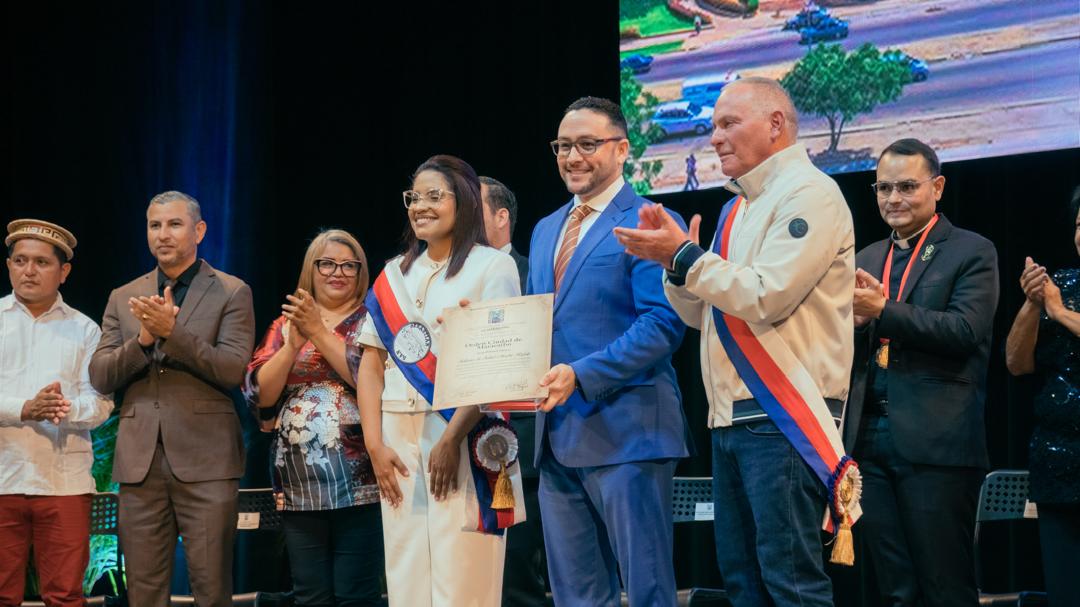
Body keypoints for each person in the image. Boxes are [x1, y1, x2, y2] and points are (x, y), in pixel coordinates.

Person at [614, 77, 860, 607]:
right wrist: (676, 268)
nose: (715, 138)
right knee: (744, 584)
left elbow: (766, 296)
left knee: (791, 584)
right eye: (713, 127)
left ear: (775, 125)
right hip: (730, 420)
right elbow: (707, 317)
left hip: (781, 416)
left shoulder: (810, 193)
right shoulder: (737, 208)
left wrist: (685, 256)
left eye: (729, 124)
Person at [530, 96, 689, 607]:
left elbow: (663, 325)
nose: (572, 157)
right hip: (556, 439)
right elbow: (538, 322)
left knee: (647, 591)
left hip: (629, 434)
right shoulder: (546, 229)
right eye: (562, 146)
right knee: (575, 596)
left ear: (622, 150)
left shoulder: (651, 221)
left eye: (587, 144)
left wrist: (580, 374)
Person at [356, 155, 523, 606]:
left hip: (462, 431)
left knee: (462, 569)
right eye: (414, 197)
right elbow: (370, 364)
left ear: (463, 201)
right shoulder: (394, 272)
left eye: (434, 196)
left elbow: (497, 362)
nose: (420, 206)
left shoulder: (492, 266)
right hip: (395, 436)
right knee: (405, 571)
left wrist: (450, 439)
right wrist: (374, 445)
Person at [844, 139, 998, 606]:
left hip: (936, 442)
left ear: (938, 187)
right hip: (867, 439)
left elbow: (964, 330)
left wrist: (882, 310)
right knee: (896, 588)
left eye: (907, 187)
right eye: (884, 188)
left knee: (945, 586)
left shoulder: (971, 250)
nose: (894, 198)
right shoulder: (866, 258)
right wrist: (854, 326)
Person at [89, 191, 256, 607]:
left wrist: (172, 333)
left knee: (211, 589)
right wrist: (143, 341)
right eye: (155, 225)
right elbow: (100, 374)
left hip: (207, 461)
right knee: (143, 592)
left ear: (199, 231)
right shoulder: (124, 295)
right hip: (140, 464)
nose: (163, 234)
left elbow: (232, 369)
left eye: (174, 224)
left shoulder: (232, 291)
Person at [243, 229, 382, 606]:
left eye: (349, 265)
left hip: (362, 480)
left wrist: (318, 331)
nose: (338, 272)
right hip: (298, 484)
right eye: (327, 264)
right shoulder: (285, 324)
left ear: (361, 272)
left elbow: (365, 377)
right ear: (311, 269)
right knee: (310, 596)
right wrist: (291, 346)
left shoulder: (373, 322)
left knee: (356, 595)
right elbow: (259, 393)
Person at [0, 219, 113, 607]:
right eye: (20, 260)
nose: (28, 271)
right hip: (3, 477)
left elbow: (101, 404)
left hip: (63, 483)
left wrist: (62, 408)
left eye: (41, 262)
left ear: (63, 272)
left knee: (65, 595)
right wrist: (25, 409)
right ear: (9, 265)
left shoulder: (85, 330)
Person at [1005, 186, 1080, 607]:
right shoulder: (1062, 285)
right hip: (1059, 466)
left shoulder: (1061, 302)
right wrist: (1034, 303)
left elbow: (1062, 315)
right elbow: (1017, 364)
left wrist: (1061, 313)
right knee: (1066, 592)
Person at [479, 176, 547, 607]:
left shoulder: (534, 274)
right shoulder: (445, 282)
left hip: (516, 448)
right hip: (455, 449)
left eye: (472, 207)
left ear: (502, 217)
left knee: (515, 576)